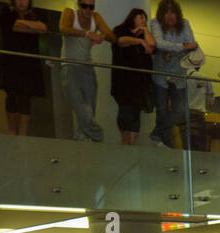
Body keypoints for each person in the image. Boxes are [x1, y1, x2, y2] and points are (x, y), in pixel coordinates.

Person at [60, 1, 114, 142]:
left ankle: (82, 139)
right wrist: (88, 34)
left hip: (87, 67)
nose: (88, 10)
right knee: (80, 108)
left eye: (91, 7)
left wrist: (102, 36)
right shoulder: (70, 13)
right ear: (79, 5)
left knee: (90, 109)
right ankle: (98, 136)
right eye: (84, 6)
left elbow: (112, 36)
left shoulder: (95, 17)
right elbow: (64, 28)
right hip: (69, 66)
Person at [149, 0, 201, 149]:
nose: (170, 15)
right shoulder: (155, 23)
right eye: (166, 12)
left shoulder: (184, 24)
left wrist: (171, 50)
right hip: (161, 75)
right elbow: (158, 43)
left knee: (180, 111)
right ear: (161, 14)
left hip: (179, 75)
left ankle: (156, 134)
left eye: (173, 12)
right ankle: (166, 146)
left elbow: (192, 44)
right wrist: (182, 47)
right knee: (162, 111)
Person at [0, 0, 47, 137]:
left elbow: (43, 28)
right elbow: (13, 26)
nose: (22, 2)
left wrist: (23, 24)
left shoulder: (35, 14)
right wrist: (32, 27)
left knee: (26, 100)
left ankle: (23, 135)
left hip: (29, 64)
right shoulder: (6, 11)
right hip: (10, 62)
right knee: (12, 97)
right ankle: (12, 131)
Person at [110, 9, 155, 145]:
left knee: (136, 112)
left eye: (145, 19)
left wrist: (145, 31)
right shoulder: (121, 30)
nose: (143, 20)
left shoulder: (144, 34)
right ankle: (126, 141)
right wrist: (139, 41)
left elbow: (152, 45)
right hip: (123, 80)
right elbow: (121, 41)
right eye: (140, 17)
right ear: (133, 17)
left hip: (140, 82)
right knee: (125, 111)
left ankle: (132, 143)